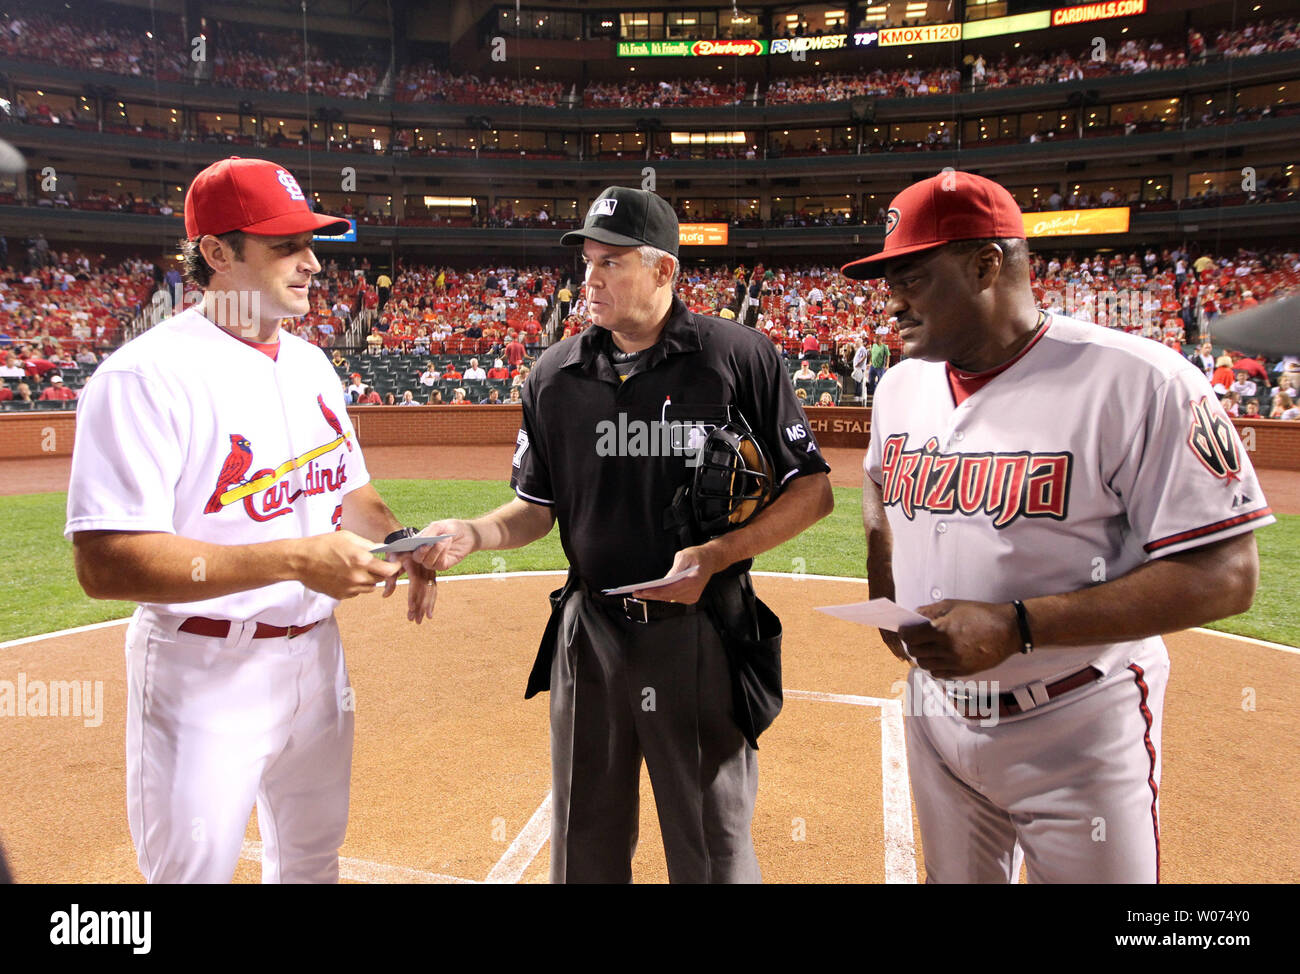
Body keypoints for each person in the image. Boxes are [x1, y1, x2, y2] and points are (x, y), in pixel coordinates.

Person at [848, 170, 1272, 884]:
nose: (892, 301)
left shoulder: (1141, 381)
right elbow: (878, 485)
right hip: (938, 712)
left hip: (1078, 722)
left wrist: (1017, 624)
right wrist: (885, 583)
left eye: (912, 277)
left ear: (986, 264)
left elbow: (1228, 576)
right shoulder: (900, 384)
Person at [414, 186, 833, 883]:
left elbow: (812, 489)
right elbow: (535, 508)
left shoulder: (737, 356)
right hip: (591, 634)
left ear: (664, 270)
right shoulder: (553, 375)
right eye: (587, 263)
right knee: (584, 845)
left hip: (698, 630)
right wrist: (472, 531)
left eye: (611, 263)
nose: (591, 280)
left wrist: (719, 555)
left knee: (711, 849)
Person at [64, 156, 437, 885]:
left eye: (311, 244)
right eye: (285, 246)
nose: (310, 264)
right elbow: (104, 564)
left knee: (310, 862)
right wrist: (296, 559)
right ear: (216, 253)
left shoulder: (310, 365)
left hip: (317, 661)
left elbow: (351, 492)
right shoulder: (144, 377)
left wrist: (404, 543)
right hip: (204, 669)